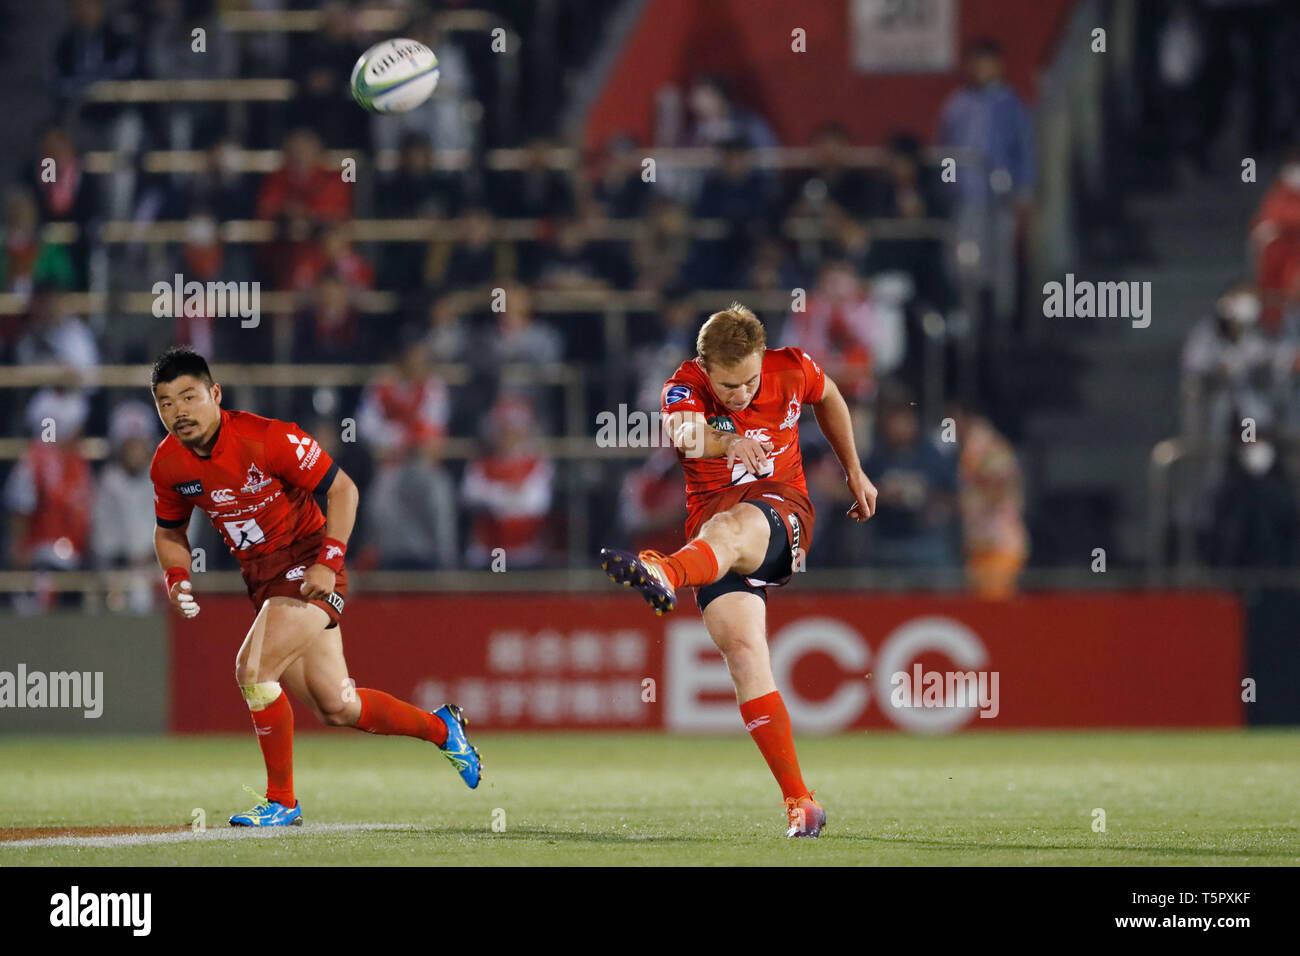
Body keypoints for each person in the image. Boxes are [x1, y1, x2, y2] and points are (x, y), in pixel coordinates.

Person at [147, 347, 481, 826]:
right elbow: (169, 531)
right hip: (265, 582)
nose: (179, 411)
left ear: (214, 393)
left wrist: (329, 560)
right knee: (338, 705)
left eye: (188, 396)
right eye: (165, 403)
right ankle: (442, 729)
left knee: (252, 669)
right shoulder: (168, 466)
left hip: (309, 568)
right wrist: (176, 576)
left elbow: (343, 488)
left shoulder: (268, 439)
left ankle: (282, 802)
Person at [600, 305, 877, 838]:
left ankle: (664, 571)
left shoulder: (791, 366)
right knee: (745, 656)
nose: (743, 393)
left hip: (782, 515)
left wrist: (854, 470)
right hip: (711, 542)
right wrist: (729, 439)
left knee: (732, 525)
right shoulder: (682, 386)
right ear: (705, 368)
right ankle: (801, 801)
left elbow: (832, 397)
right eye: (729, 385)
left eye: (751, 379)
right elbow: (687, 437)